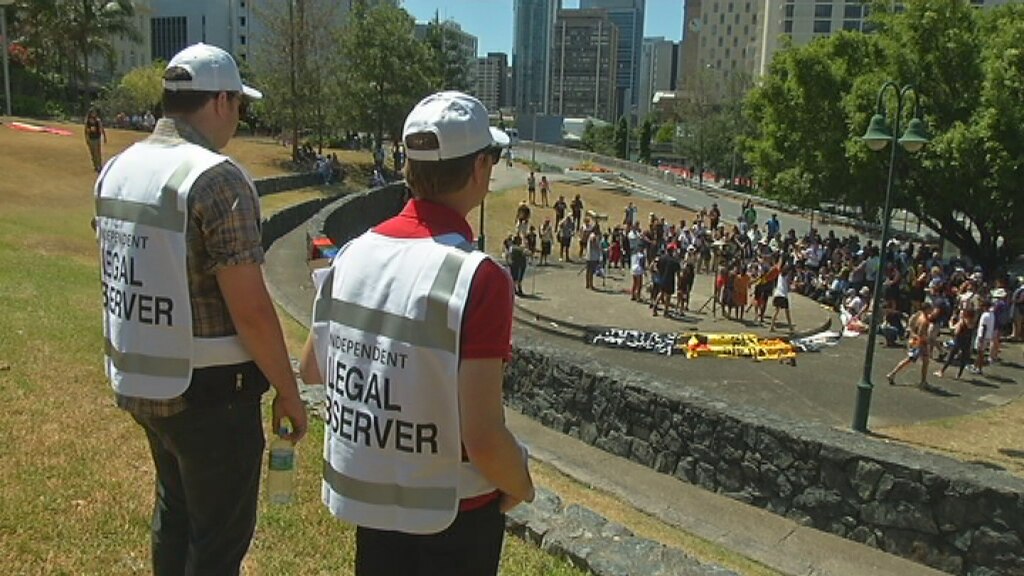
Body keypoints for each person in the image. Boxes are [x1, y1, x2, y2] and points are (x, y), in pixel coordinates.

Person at [300, 91, 534, 576]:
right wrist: (521, 483)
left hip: (372, 502)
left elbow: (312, 367)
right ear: (478, 170)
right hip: (453, 515)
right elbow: (484, 437)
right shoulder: (479, 278)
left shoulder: (353, 253)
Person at [94, 43, 307, 574]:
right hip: (210, 393)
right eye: (238, 105)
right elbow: (252, 311)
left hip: (141, 376)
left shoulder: (118, 169)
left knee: (177, 510)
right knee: (217, 542)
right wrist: (287, 388)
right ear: (218, 101)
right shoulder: (216, 178)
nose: (238, 118)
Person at [887, 302, 934, 389]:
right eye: (930, 308)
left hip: (915, 340)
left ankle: (923, 381)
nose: (932, 310)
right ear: (927, 309)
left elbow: (911, 323)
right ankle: (892, 374)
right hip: (920, 343)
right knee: (909, 360)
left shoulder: (919, 315)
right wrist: (927, 340)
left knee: (925, 361)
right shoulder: (924, 321)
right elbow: (921, 333)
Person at [84, 107, 108, 172]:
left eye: (94, 113)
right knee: (93, 153)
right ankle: (95, 165)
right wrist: (86, 138)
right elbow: (86, 131)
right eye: (92, 113)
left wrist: (104, 137)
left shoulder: (98, 121)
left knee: (98, 153)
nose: (94, 114)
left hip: (97, 138)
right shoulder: (87, 121)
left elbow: (101, 129)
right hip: (91, 138)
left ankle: (99, 166)